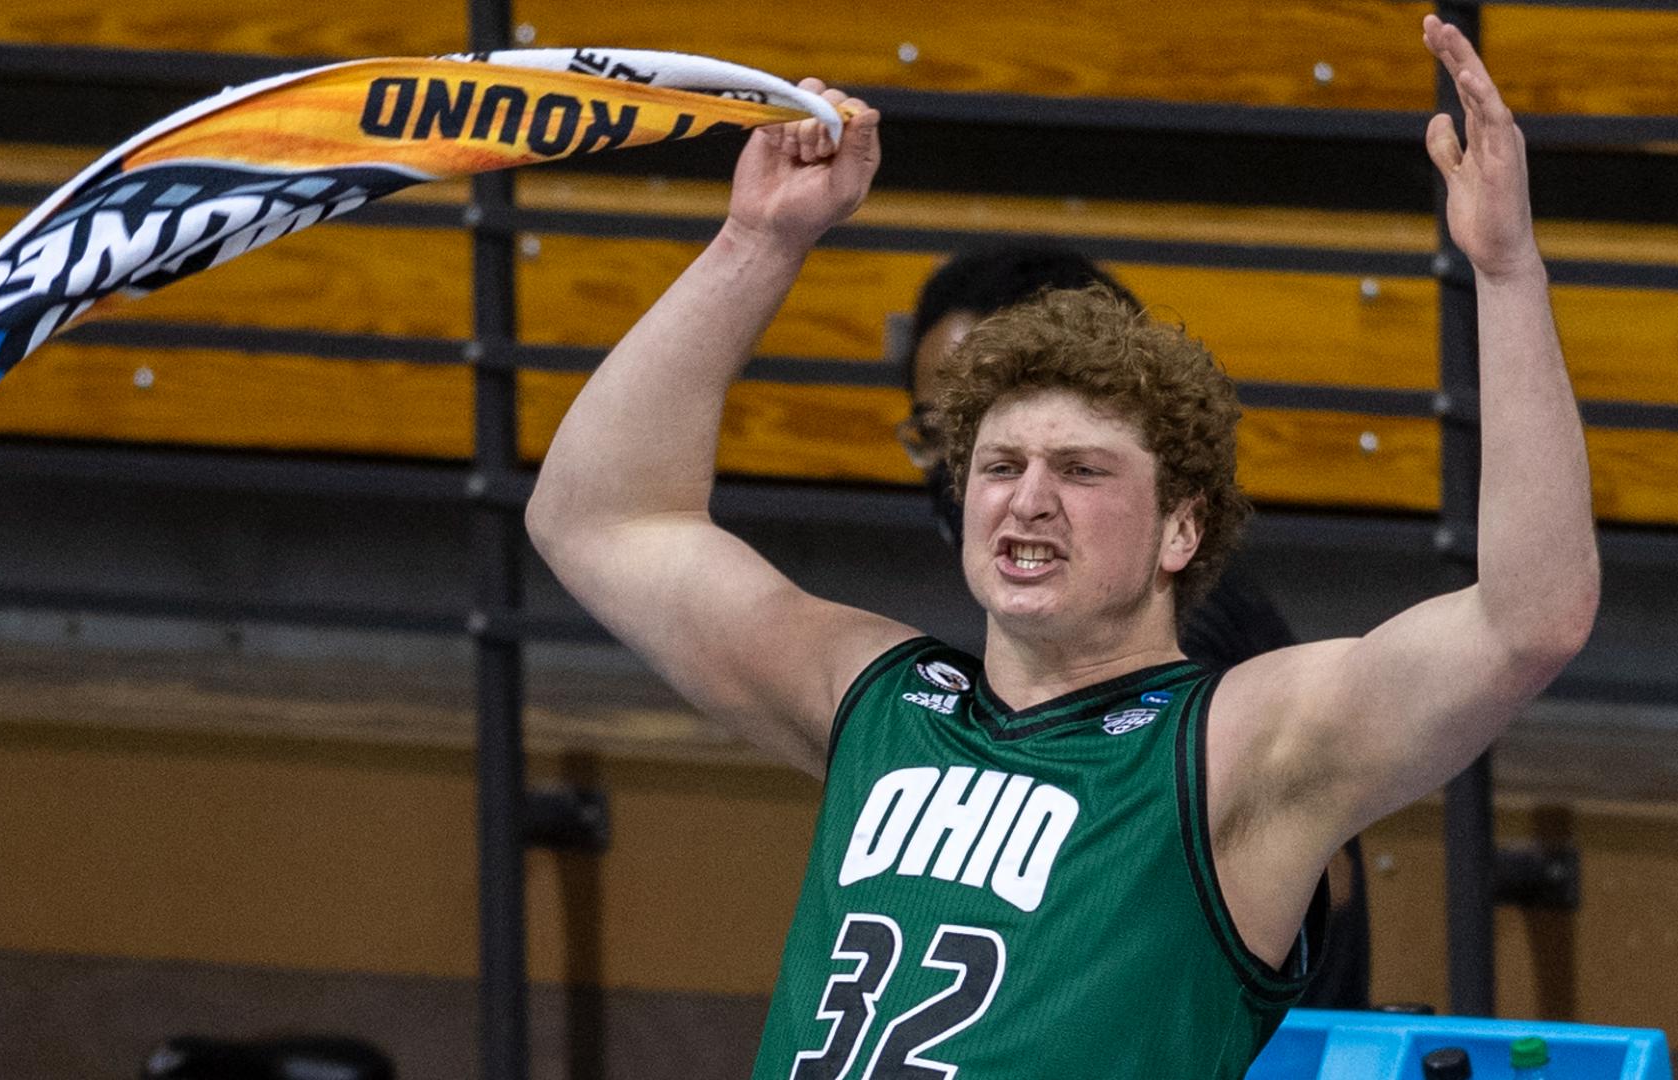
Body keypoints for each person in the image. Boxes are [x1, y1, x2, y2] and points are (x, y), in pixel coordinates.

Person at [526, 16, 1597, 1077]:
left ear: (1182, 527)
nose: (1027, 501)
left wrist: (1506, 275)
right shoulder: (877, 699)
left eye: (1082, 471)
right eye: (999, 467)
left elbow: (1526, 619)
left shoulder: (1231, 747)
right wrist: (757, 242)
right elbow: (599, 518)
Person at [894, 244, 1372, 1010]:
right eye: (959, 445)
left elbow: (1319, 873)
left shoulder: (1170, 629)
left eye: (1073, 464)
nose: (1009, 497)